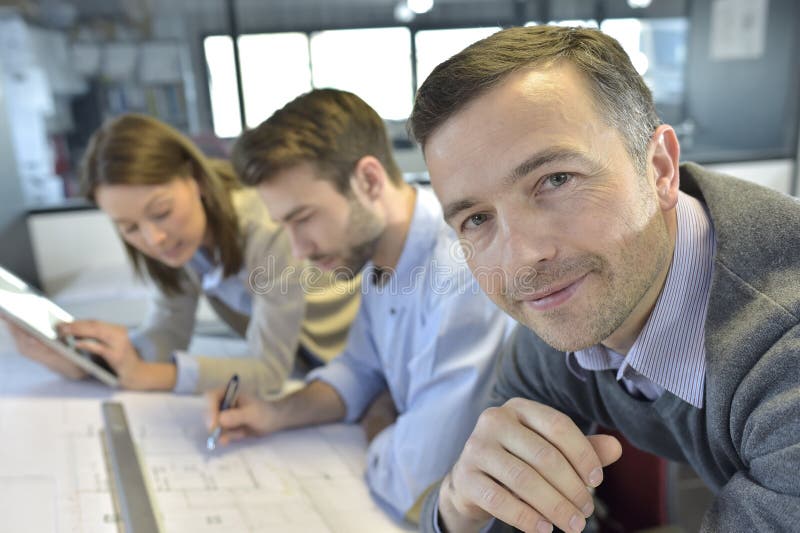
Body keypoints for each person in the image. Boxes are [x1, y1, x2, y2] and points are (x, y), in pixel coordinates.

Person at [408, 25, 800, 533]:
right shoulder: (558, 321)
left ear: (660, 168)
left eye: (555, 180)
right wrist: (459, 507)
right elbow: (511, 511)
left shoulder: (785, 355)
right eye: (477, 219)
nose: (523, 259)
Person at [206, 88, 510, 522]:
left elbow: (418, 479)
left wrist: (378, 423)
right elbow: (359, 371)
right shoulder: (374, 261)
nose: (298, 250)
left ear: (368, 181)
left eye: (303, 218)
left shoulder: (460, 273)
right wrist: (274, 413)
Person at [3, 113, 360, 397]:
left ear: (195, 179)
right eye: (128, 227)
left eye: (160, 212)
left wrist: (150, 375)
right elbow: (167, 330)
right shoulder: (180, 244)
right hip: (310, 368)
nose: (154, 239)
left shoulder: (266, 227)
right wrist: (93, 359)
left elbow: (268, 371)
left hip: (352, 363)